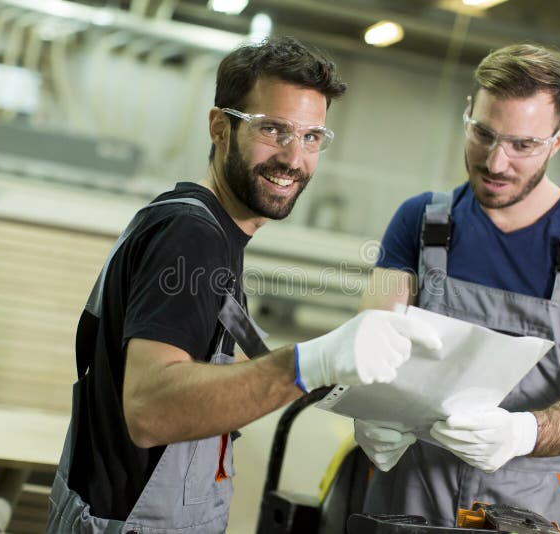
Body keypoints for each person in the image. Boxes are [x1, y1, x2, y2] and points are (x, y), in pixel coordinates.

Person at [46, 36, 442, 533]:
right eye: (272, 129)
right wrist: (309, 361)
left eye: (311, 136)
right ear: (220, 127)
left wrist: (360, 399)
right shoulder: (191, 236)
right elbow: (149, 407)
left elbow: (217, 365)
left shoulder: (212, 232)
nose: (293, 158)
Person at [354, 43, 560, 533]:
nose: (496, 162)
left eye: (523, 145)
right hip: (407, 494)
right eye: (483, 133)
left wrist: (523, 430)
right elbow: (371, 340)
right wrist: (369, 407)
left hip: (530, 508)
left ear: (559, 140)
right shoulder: (420, 222)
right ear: (467, 114)